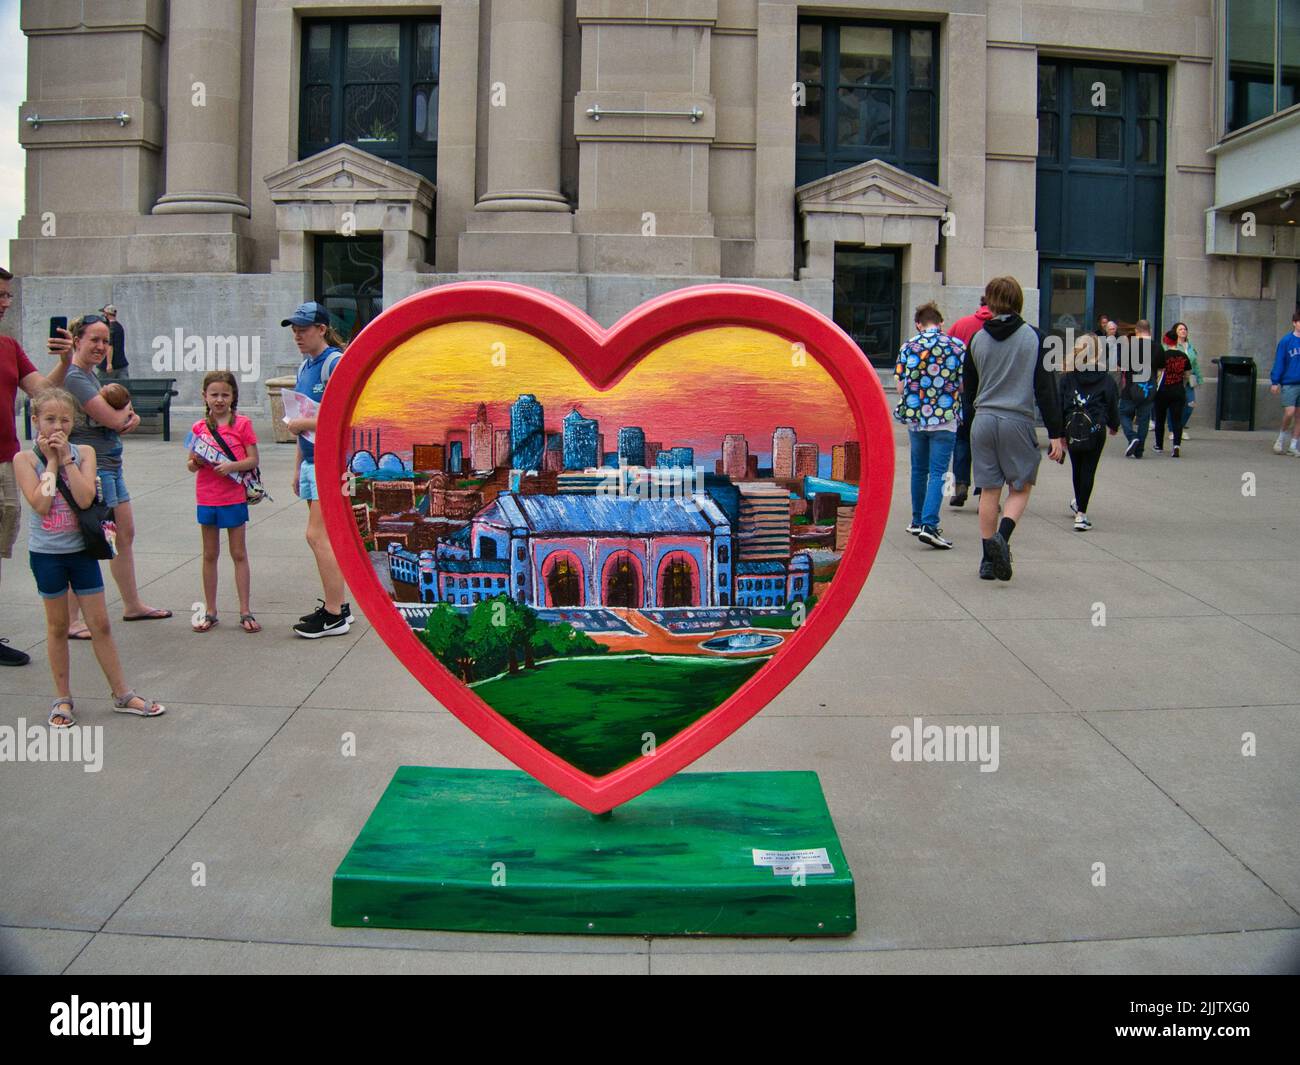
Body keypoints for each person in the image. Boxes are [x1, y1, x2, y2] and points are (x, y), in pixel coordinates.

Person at [13, 389, 164, 725]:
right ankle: (63, 698)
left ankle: (122, 693)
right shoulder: (25, 460)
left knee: (101, 624)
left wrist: (66, 459)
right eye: (49, 419)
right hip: (48, 554)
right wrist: (50, 461)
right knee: (57, 627)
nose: (57, 426)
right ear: (35, 420)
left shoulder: (84, 452)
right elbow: (41, 502)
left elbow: (83, 500)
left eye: (64, 420)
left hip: (82, 552)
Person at [61, 313, 171, 638]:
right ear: (76, 340)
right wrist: (124, 416)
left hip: (111, 467)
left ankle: (132, 604)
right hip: (92, 472)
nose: (100, 346)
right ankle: (71, 619)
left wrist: (124, 416)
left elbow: (122, 416)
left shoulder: (90, 376)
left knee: (124, 535)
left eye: (105, 341)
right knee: (91, 541)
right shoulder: (75, 378)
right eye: (94, 339)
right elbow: (114, 418)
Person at [962, 276, 1066, 581]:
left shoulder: (977, 339)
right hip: (1016, 420)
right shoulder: (1037, 337)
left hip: (983, 420)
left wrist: (969, 426)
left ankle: (986, 561)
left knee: (988, 491)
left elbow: (969, 389)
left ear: (990, 301)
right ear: (1019, 300)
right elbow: (1046, 390)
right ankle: (1002, 540)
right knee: (1020, 486)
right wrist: (1057, 433)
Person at [0, 265, 73, 666]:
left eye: (7, 295)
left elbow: (42, 392)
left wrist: (64, 360)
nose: (4, 302)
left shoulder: (9, 346)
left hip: (5, 461)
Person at [282, 301, 352, 638]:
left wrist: (303, 423)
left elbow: (342, 416)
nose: (297, 335)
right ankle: (338, 606)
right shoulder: (303, 369)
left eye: (303, 328)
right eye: (294, 329)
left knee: (317, 535)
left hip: (330, 462)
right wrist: (298, 468)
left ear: (321, 329)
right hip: (311, 461)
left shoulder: (334, 364)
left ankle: (334, 612)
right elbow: (302, 425)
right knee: (324, 537)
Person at [187, 371, 261, 633]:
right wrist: (196, 462)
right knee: (209, 554)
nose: (219, 400)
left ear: (233, 397)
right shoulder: (199, 428)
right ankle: (210, 610)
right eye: (214, 394)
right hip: (207, 497)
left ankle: (244, 610)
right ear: (204, 396)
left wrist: (233, 465)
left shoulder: (242, 424)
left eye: (225, 395)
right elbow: (190, 464)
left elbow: (253, 459)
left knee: (238, 553)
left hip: (233, 497)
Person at [895, 301, 965, 549]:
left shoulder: (908, 347)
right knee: (938, 472)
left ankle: (916, 520)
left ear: (918, 324)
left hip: (916, 418)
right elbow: (962, 384)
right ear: (941, 322)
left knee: (918, 470)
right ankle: (930, 524)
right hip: (945, 419)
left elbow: (901, 386)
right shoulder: (957, 347)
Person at [1059, 333, 1120, 530]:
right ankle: (1081, 512)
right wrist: (1114, 424)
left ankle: (1079, 505)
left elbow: (1060, 404)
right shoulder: (1106, 379)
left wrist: (1059, 431)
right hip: (1096, 427)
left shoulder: (1068, 377)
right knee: (1089, 469)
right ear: (1098, 352)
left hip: (1073, 425)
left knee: (1077, 468)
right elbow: (1112, 403)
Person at [946, 296, 993, 507]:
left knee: (962, 440)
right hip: (991, 394)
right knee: (987, 445)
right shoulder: (1001, 327)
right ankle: (985, 490)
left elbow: (946, 353)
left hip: (965, 392)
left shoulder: (961, 325)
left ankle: (960, 485)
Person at [1119, 319, 1157, 458]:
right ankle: (1139, 450)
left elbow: (1121, 365)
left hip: (1130, 388)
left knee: (1123, 414)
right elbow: (1161, 367)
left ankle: (1132, 437)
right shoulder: (1157, 347)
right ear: (1150, 331)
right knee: (1144, 419)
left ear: (1136, 331)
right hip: (1148, 388)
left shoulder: (1130, 347)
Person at [1151, 342, 1192, 457]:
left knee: (1160, 419)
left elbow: (1157, 372)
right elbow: (1187, 374)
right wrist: (1182, 384)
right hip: (1178, 390)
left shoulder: (1163, 355)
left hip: (1163, 391)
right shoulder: (1183, 356)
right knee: (1177, 419)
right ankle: (1176, 446)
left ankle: (1159, 445)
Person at [1270, 309, 1300, 456]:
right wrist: (1275, 381)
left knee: (1299, 416)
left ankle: (1294, 444)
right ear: (1294, 323)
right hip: (1290, 382)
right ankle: (1281, 438)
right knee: (1290, 412)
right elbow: (1279, 361)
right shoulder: (1286, 341)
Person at [1163, 322, 1201, 438]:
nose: (1183, 331)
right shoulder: (1169, 346)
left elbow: (1195, 364)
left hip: (1189, 380)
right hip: (1176, 380)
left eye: (1185, 329)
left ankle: (1179, 427)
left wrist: (1199, 379)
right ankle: (1172, 430)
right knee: (1173, 405)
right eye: (1180, 329)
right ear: (1175, 332)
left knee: (1190, 404)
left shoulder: (1190, 346)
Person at [100, 304, 128, 382]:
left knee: (100, 388)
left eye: (103, 313)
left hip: (108, 367)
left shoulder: (109, 328)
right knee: (124, 389)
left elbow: (110, 346)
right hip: (122, 365)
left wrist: (109, 363)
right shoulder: (119, 326)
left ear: (106, 314)